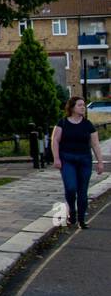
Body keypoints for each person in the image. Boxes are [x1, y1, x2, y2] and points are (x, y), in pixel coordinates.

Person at [51, 96, 105, 228]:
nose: (83, 107)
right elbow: (55, 140)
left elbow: (95, 144)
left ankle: (81, 219)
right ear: (72, 107)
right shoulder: (62, 123)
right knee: (71, 188)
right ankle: (72, 212)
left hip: (84, 160)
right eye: (80, 105)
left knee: (82, 191)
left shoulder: (88, 125)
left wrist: (100, 162)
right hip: (67, 159)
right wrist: (56, 158)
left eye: (84, 105)